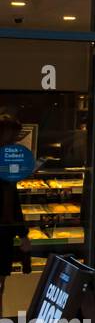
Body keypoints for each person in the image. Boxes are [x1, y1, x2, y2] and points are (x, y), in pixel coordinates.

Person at [0, 114, 31, 312]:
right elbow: (10, 202)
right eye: (12, 136)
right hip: (2, 230)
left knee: (1, 285)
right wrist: (22, 233)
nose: (14, 141)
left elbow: (12, 201)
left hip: (4, 231)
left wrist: (22, 233)